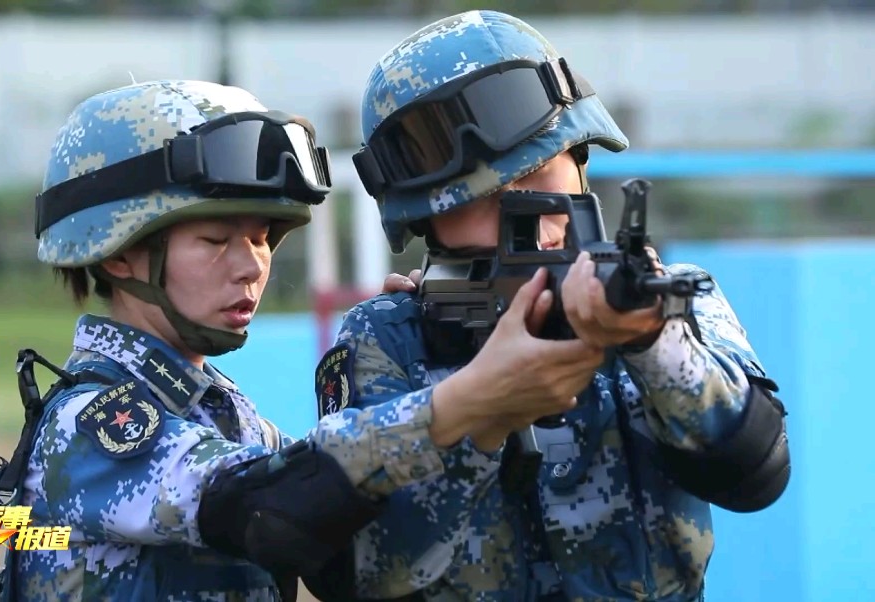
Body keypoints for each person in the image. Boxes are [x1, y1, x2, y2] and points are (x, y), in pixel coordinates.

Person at [0, 79, 605, 602]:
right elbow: (273, 512)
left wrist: (441, 356)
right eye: (215, 240)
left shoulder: (218, 412)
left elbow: (345, 556)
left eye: (260, 238)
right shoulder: (92, 422)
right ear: (119, 255)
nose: (252, 266)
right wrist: (468, 400)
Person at [314, 10, 791, 601]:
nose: (534, 221)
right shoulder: (391, 337)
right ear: (426, 219)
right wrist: (474, 412)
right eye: (486, 201)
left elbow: (755, 472)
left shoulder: (665, 297)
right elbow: (363, 571)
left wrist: (652, 344)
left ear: (580, 161)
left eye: (542, 175)